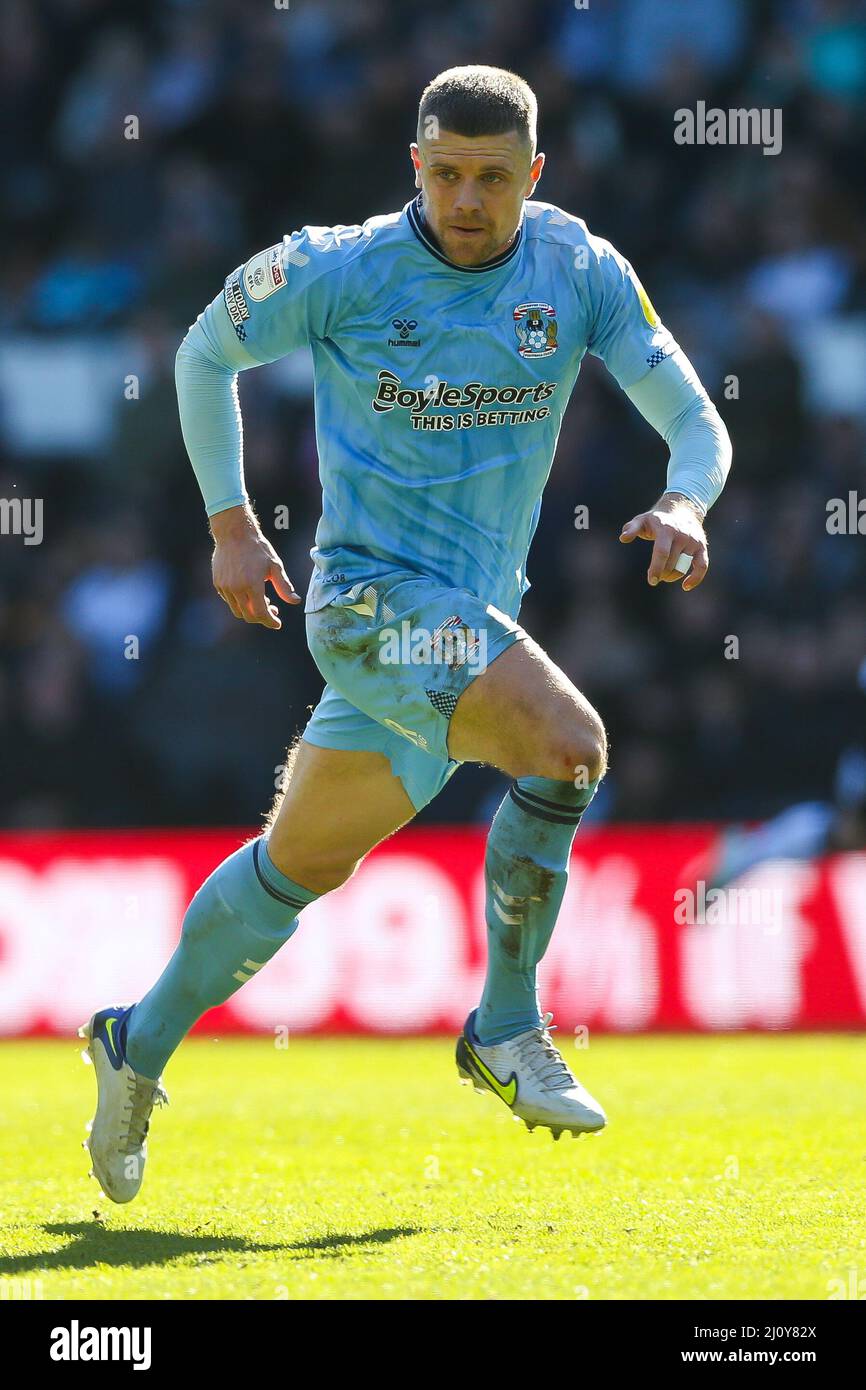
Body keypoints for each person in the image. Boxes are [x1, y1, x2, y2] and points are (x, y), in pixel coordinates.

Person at [80, 65, 731, 1203]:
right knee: (568, 747)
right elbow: (200, 354)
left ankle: (134, 1040)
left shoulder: (576, 269)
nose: (466, 199)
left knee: (298, 865)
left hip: (469, 631)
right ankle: (507, 1023)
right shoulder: (340, 267)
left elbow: (690, 415)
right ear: (414, 167)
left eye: (491, 177)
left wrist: (685, 499)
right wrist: (231, 526)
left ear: (533, 174)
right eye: (444, 173)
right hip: (369, 605)